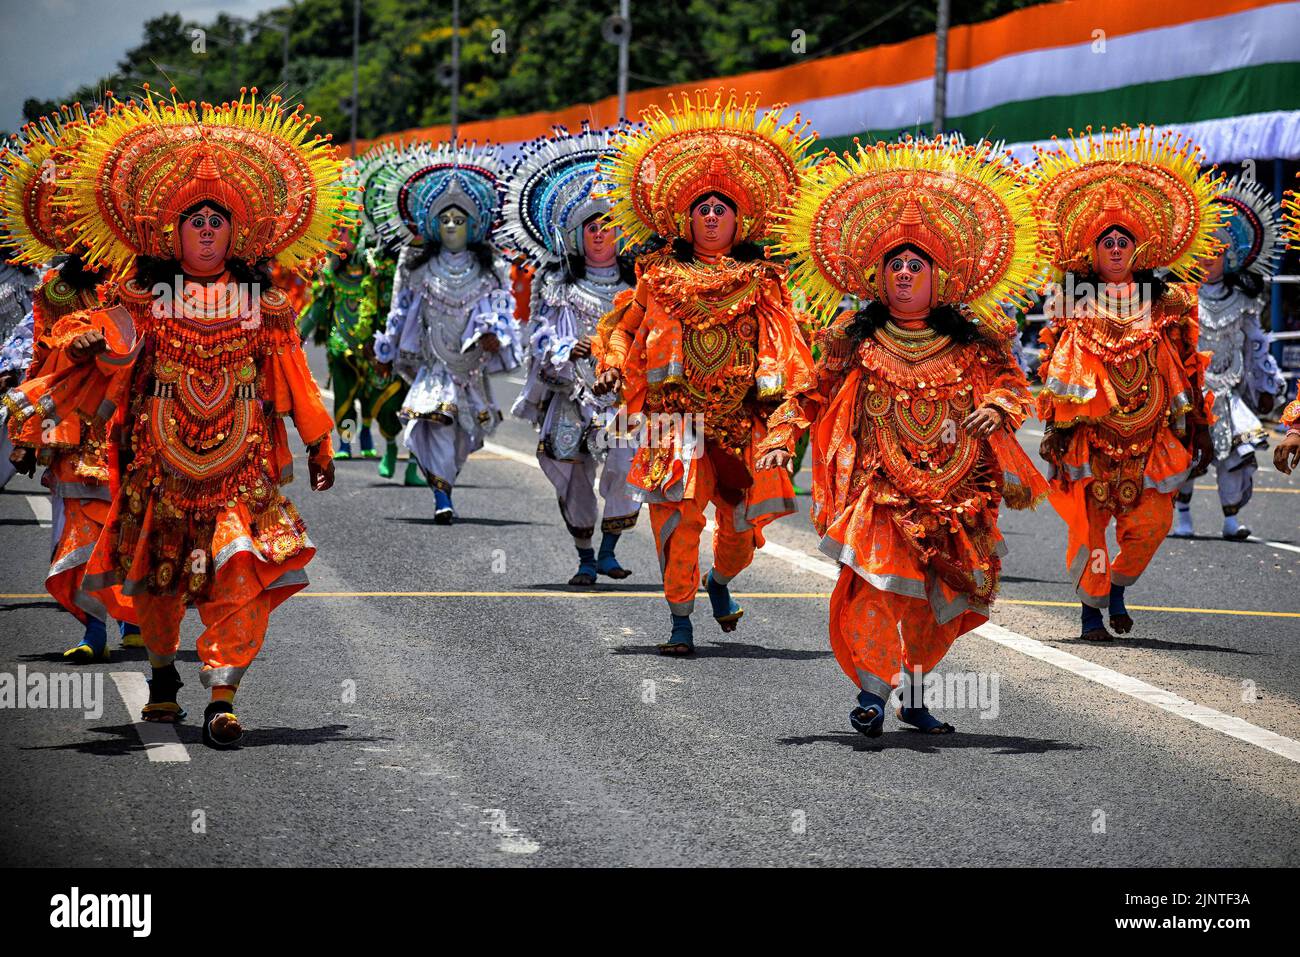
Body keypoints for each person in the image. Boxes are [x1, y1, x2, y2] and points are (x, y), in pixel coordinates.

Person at [16, 87, 353, 748]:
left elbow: (293, 377)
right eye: (193, 219)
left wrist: (319, 440)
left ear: (237, 231)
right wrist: (85, 341)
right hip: (160, 467)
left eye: (216, 219)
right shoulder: (142, 296)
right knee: (160, 578)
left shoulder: (265, 303)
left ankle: (222, 692)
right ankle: (165, 674)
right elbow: (105, 332)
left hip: (240, 467)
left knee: (236, 569)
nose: (205, 229)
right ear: (171, 232)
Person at [757, 136, 1047, 735]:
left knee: (927, 604)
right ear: (877, 277)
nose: (906, 275)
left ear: (942, 278)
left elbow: (1012, 384)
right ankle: (871, 694)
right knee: (871, 587)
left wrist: (997, 406)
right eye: (896, 266)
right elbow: (810, 391)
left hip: (957, 491)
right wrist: (784, 435)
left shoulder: (973, 341)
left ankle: (913, 696)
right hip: (878, 486)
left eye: (918, 266)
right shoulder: (854, 338)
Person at [593, 89, 819, 655]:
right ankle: (680, 621)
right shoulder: (657, 275)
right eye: (703, 208)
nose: (712, 215)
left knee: (741, 533)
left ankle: (720, 583)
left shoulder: (764, 281)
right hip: (676, 424)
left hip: (741, 423)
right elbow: (622, 328)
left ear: (740, 220)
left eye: (722, 208)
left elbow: (790, 347)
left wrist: (787, 413)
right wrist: (615, 366)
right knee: (678, 525)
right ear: (685, 219)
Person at [1032, 126, 1221, 641]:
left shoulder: (1172, 303)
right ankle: (1092, 613)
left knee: (1152, 525)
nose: (1115, 247)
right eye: (1106, 240)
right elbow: (1053, 370)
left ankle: (1117, 587)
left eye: (1125, 240)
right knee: (1091, 530)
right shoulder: (1069, 303)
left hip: (1154, 437)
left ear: (1142, 249)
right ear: (1089, 253)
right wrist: (1054, 432)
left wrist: (1200, 429)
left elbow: (1189, 364)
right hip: (1091, 439)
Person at [0, 104, 145, 657]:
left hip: (133, 421)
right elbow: (39, 359)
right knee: (79, 525)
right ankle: (93, 630)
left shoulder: (144, 281)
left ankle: (135, 621)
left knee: (131, 524)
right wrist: (24, 433)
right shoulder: (54, 290)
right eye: (70, 213)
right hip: (73, 426)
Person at [502, 124, 640, 584]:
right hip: (571, 393)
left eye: (607, 226)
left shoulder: (639, 287)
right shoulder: (559, 285)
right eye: (591, 227)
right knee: (573, 472)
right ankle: (584, 557)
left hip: (623, 396)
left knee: (626, 466)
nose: (600, 235)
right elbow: (539, 338)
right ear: (575, 235)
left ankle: (608, 549)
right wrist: (567, 348)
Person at [371, 142, 520, 523]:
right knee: (432, 420)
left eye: (459, 219)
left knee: (459, 439)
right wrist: (386, 351)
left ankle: (446, 483)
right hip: (433, 367)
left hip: (470, 371)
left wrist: (494, 336)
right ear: (432, 224)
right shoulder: (416, 267)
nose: (452, 225)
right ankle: (441, 497)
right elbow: (399, 311)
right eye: (445, 219)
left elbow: (504, 311)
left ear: (474, 225)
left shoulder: (491, 269)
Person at [1172, 175, 1286, 540]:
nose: (1208, 259)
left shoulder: (1246, 300)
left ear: (1231, 256)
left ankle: (1230, 520)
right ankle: (1183, 518)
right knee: (1185, 457)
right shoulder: (1178, 297)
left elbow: (1256, 348)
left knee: (1237, 456)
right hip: (1189, 394)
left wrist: (1268, 386)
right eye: (1203, 251)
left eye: (1217, 252)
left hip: (1229, 391)